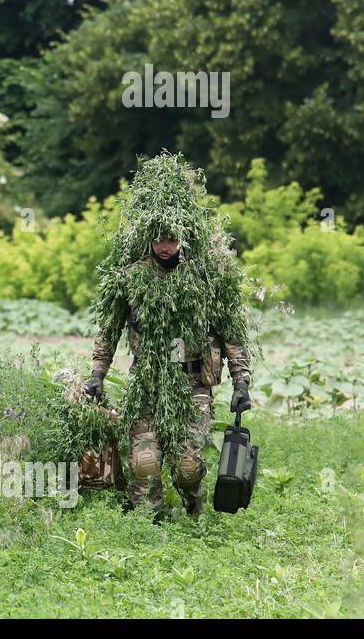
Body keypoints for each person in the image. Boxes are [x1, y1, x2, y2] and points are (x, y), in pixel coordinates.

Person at [83, 155, 255, 520]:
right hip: (147, 383)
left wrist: (242, 382)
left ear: (183, 237)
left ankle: (194, 505)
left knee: (188, 466)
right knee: (145, 464)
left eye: (171, 239)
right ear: (150, 239)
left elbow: (231, 334)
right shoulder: (130, 277)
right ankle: (150, 519)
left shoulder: (205, 279)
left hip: (193, 384)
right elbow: (109, 329)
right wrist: (97, 373)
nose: (165, 246)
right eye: (159, 239)